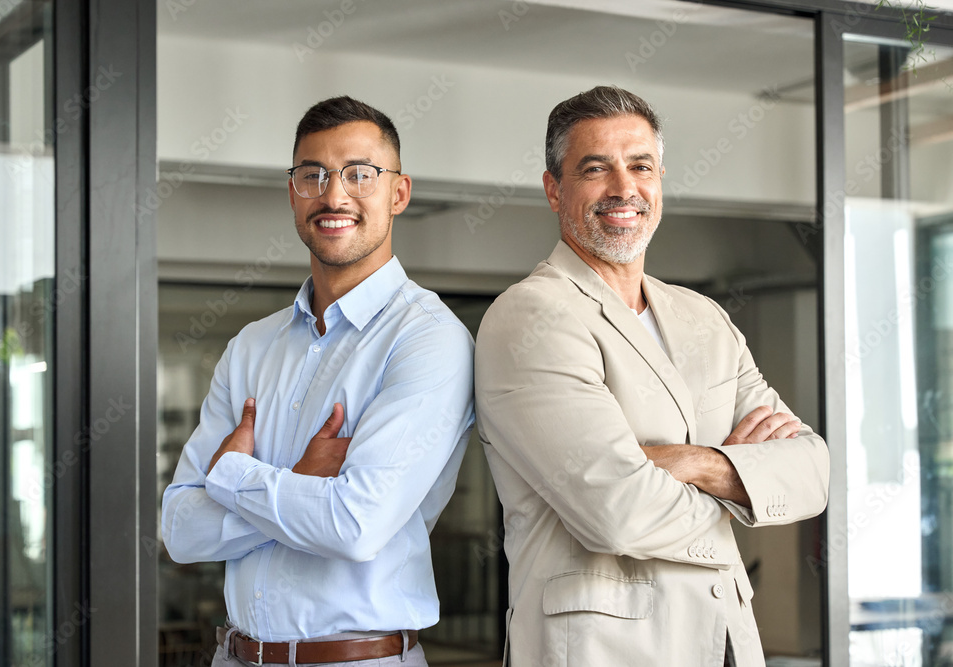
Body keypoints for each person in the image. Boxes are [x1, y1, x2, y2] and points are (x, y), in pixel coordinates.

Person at [473, 86, 830, 666]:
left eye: (641, 166)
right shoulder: (529, 317)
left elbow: (811, 471)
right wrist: (746, 484)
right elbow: (618, 513)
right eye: (595, 168)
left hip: (726, 642)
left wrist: (692, 461)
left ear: (659, 179)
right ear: (553, 189)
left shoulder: (703, 317)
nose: (623, 188)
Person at [162, 96, 474, 667]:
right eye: (314, 175)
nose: (334, 196)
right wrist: (299, 484)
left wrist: (233, 475)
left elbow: (355, 526)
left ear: (398, 193)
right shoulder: (252, 346)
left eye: (360, 174)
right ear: (293, 193)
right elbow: (181, 530)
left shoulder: (429, 339)